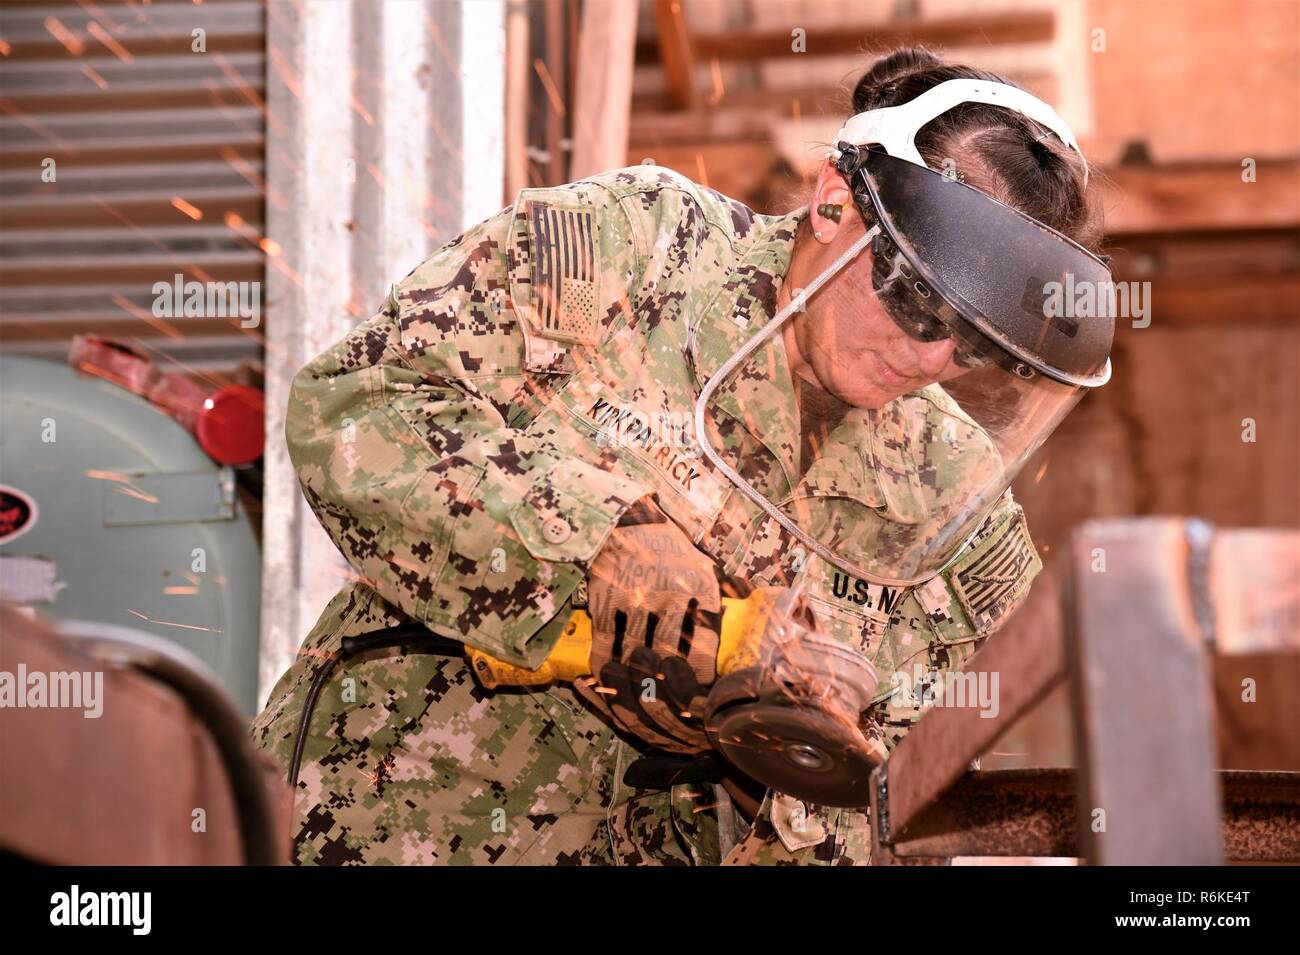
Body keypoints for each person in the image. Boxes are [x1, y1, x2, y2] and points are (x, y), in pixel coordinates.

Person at [252, 46, 1114, 865]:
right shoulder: (636, 251)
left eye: (972, 344)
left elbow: (899, 809)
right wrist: (599, 544)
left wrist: (765, 767)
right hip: (383, 821)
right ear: (833, 203)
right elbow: (361, 408)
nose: (930, 358)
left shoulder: (956, 506)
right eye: (918, 303)